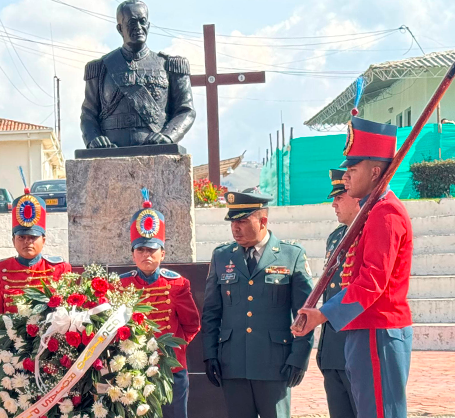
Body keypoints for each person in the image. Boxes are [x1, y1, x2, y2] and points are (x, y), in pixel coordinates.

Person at [293, 116, 413, 418]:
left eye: (352, 169)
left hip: (377, 329)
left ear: (375, 172)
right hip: (362, 328)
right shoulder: (371, 212)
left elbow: (372, 281)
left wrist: (323, 314)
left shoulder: (385, 214)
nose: (345, 177)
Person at [201, 189, 314, 418]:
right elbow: (211, 312)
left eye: (242, 221)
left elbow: (305, 315)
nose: (235, 228)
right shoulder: (222, 256)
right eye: (232, 221)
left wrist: (299, 358)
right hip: (233, 364)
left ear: (263, 221)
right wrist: (209, 354)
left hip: (275, 364)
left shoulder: (290, 256)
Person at [118, 189, 200, 418]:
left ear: (162, 254)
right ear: (133, 254)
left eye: (152, 250)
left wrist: (172, 349)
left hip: (170, 368)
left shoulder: (177, 284)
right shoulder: (121, 286)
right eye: (141, 250)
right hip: (132, 369)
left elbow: (191, 325)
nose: (147, 255)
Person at [80, 0, 195, 148]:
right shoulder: (100, 68)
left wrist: (168, 136)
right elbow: (88, 113)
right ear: (120, 28)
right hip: (111, 149)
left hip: (155, 148)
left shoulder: (169, 66)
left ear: (148, 25)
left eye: (142, 21)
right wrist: (93, 139)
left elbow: (185, 110)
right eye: (132, 22)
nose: (138, 27)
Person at [0, 186, 72, 329]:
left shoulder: (60, 269)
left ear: (43, 240)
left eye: (33, 237)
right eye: (22, 237)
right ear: (13, 240)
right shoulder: (0, 271)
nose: (27, 242)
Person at [317, 169, 360, 418]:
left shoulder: (367, 232)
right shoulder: (335, 237)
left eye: (339, 197)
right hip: (334, 349)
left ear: (355, 196)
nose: (333, 204)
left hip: (356, 346)